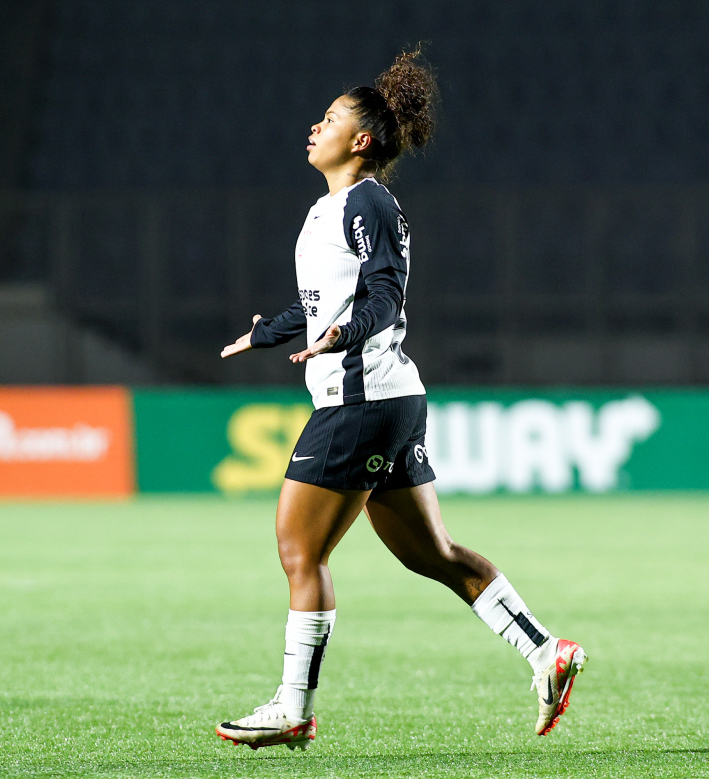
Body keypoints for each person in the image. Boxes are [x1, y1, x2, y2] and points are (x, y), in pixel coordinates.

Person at [215, 46, 586, 752]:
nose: (314, 126)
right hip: (385, 399)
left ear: (360, 140)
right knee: (431, 553)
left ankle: (293, 707)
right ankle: (546, 651)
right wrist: (269, 331)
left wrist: (341, 335)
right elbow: (324, 304)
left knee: (299, 549)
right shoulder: (331, 207)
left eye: (329, 118)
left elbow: (383, 295)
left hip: (359, 401)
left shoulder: (367, 201)